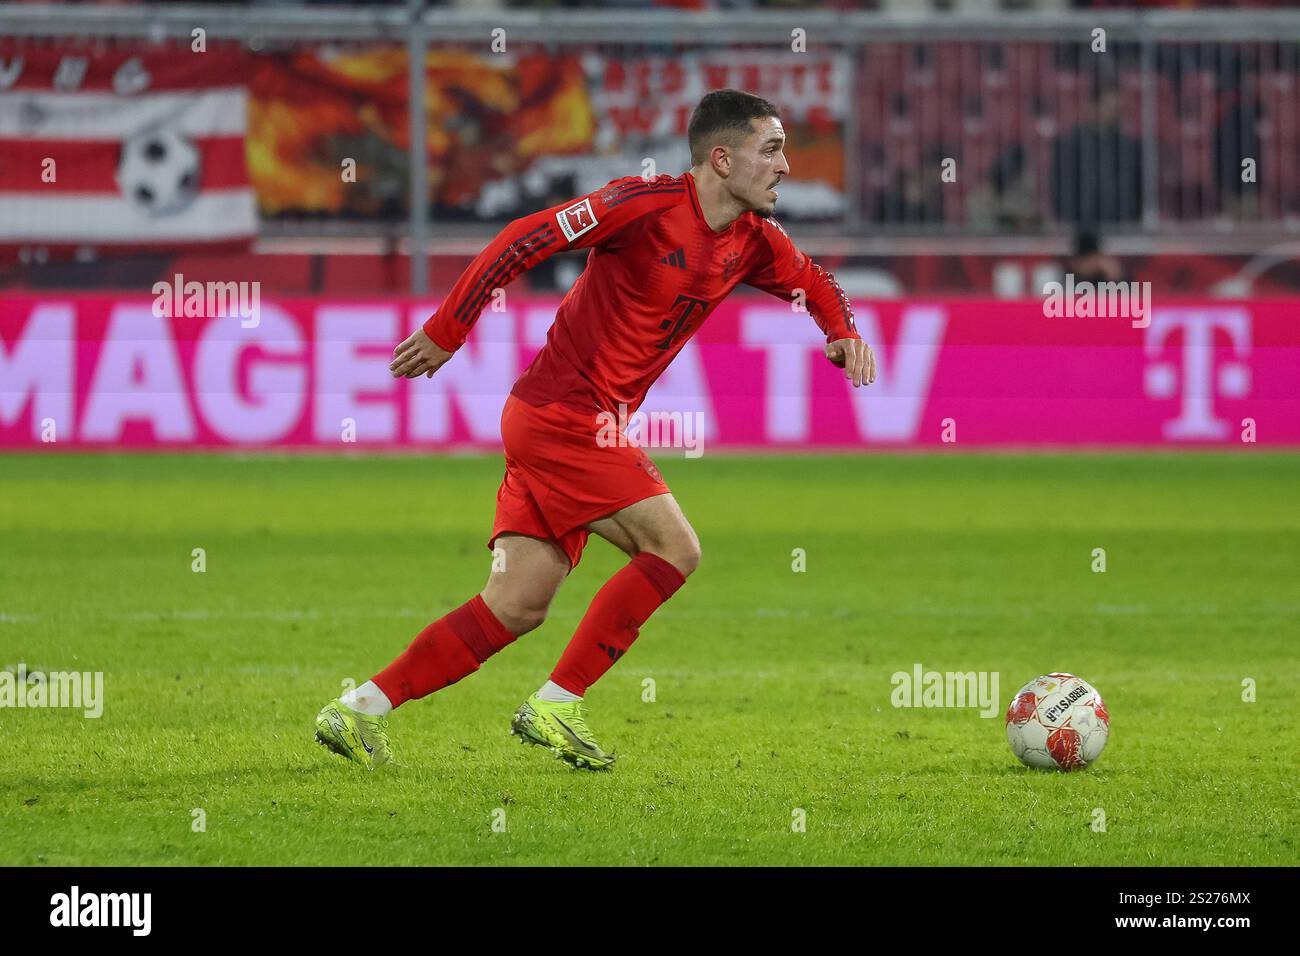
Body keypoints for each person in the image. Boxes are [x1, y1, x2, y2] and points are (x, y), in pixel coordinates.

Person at [313, 88, 876, 771]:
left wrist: (841, 331)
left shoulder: (751, 242)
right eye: (772, 149)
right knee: (675, 549)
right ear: (722, 159)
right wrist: (447, 329)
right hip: (563, 418)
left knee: (516, 605)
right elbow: (523, 238)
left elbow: (814, 282)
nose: (786, 165)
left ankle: (356, 710)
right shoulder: (640, 206)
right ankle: (556, 703)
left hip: (562, 423)